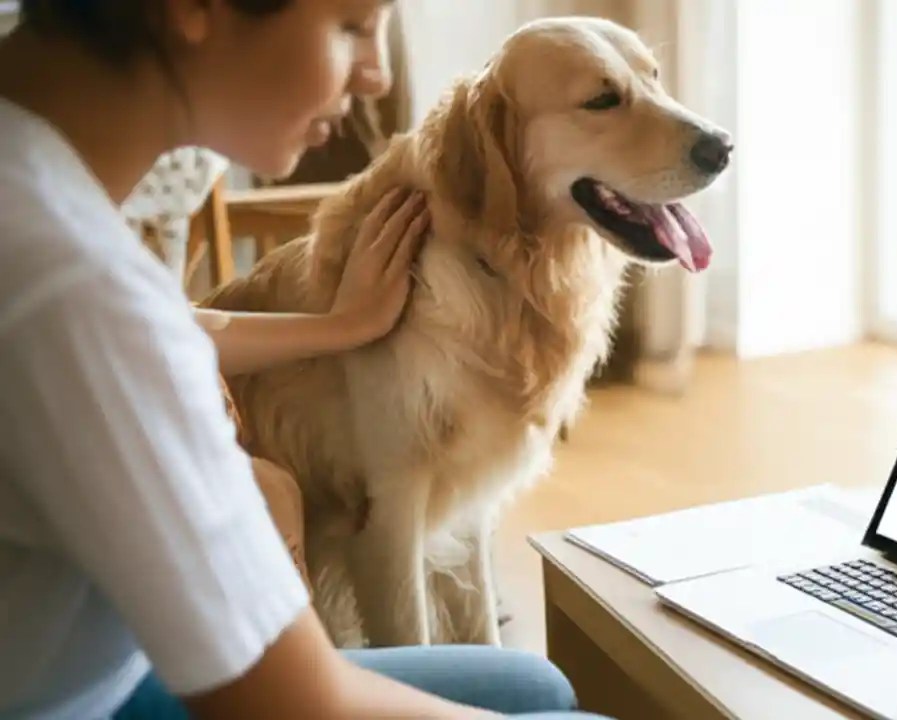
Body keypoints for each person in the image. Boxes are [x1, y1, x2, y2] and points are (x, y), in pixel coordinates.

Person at [0, 1, 611, 718]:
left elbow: (168, 326)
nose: (378, 76)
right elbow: (293, 703)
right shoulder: (74, 287)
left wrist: (340, 325)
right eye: (351, 25)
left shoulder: (32, 182)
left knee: (533, 688)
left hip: (93, 669)